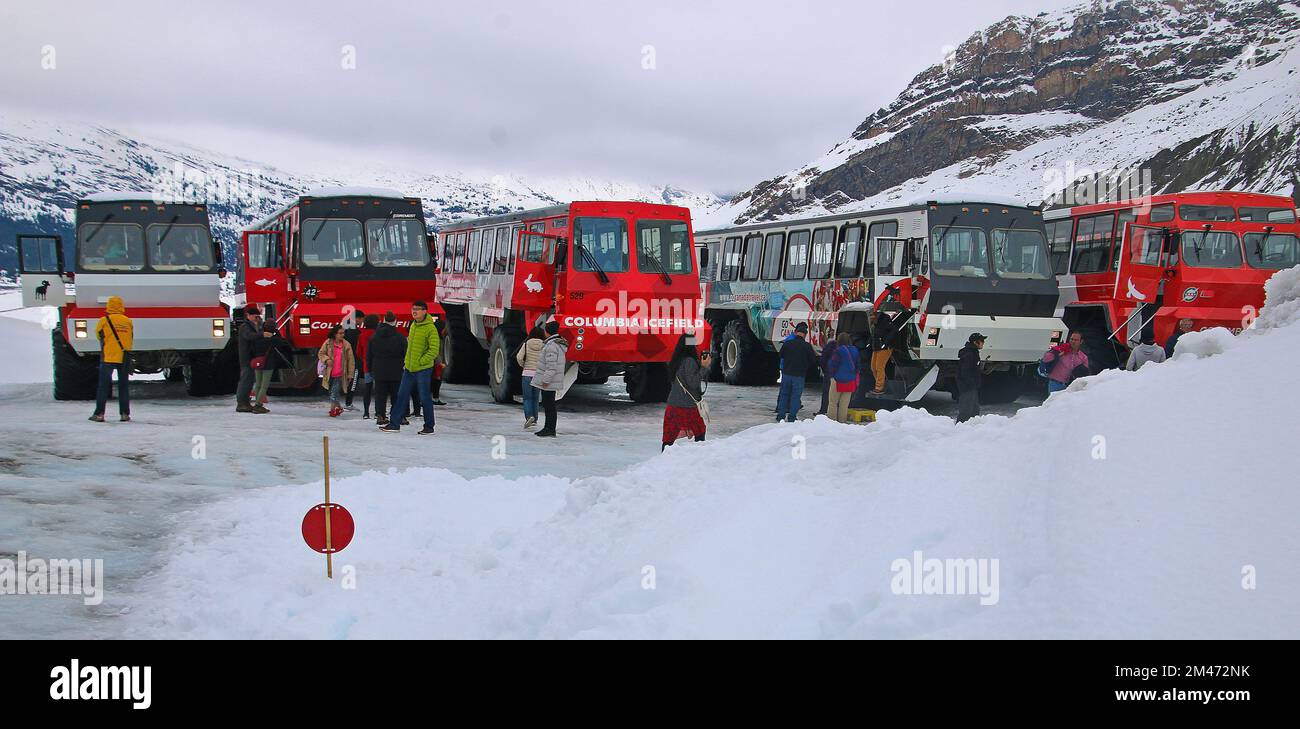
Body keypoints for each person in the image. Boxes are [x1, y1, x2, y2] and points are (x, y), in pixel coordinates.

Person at [381, 300, 439, 435]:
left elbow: (434, 350)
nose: (414, 311)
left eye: (418, 309)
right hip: (409, 369)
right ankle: (394, 424)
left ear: (425, 311)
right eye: (413, 309)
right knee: (401, 396)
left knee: (424, 398)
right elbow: (410, 348)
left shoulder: (430, 328)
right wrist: (407, 362)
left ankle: (429, 426)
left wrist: (421, 361)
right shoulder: (413, 325)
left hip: (423, 369)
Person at [89, 295, 133, 422]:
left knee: (103, 386)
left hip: (108, 356)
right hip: (124, 356)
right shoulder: (127, 321)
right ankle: (124, 414)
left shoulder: (104, 320)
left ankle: (99, 414)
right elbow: (130, 336)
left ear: (109, 306)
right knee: (123, 386)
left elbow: (98, 334)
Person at [663, 334, 710, 450]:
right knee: (700, 432)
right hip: (687, 406)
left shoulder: (675, 361)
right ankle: (697, 456)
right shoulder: (689, 361)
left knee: (669, 436)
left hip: (673, 404)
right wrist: (704, 367)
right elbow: (693, 383)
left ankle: (663, 459)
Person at [367, 311, 407, 427]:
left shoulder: (374, 337)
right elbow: (406, 353)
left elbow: (369, 355)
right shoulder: (400, 337)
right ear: (395, 322)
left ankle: (380, 415)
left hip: (379, 369)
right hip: (396, 370)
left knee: (380, 394)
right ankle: (400, 416)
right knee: (396, 394)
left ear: (383, 320)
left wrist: (370, 369)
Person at [531, 320, 568, 437]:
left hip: (549, 382)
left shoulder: (551, 346)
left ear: (547, 332)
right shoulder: (557, 345)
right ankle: (548, 427)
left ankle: (549, 429)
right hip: (552, 380)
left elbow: (551, 367)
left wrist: (546, 381)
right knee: (549, 405)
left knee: (549, 405)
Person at [775, 322, 817, 422]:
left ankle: (780, 416)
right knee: (795, 396)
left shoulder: (788, 343)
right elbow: (813, 361)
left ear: (795, 332)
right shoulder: (807, 346)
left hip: (786, 373)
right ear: (805, 335)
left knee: (784, 394)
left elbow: (781, 355)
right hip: (799, 375)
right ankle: (792, 417)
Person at [318, 325, 355, 417]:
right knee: (331, 392)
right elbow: (321, 353)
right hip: (329, 373)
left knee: (334, 393)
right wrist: (327, 360)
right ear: (335, 334)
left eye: (343, 333)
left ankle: (332, 410)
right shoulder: (327, 343)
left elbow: (351, 361)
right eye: (340, 333)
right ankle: (339, 407)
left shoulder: (346, 345)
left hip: (341, 373)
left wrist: (350, 374)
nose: (342, 335)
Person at [235, 305, 265, 413]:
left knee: (250, 380)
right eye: (254, 316)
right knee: (246, 380)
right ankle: (241, 403)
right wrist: (262, 334)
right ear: (248, 316)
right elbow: (249, 336)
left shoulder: (254, 325)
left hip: (252, 357)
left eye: (258, 316)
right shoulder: (245, 327)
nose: (256, 318)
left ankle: (245, 402)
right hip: (247, 357)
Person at [825, 332, 860, 422]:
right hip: (850, 380)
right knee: (844, 404)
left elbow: (833, 364)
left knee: (833, 403)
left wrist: (831, 376)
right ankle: (842, 422)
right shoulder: (855, 350)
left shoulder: (838, 350)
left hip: (837, 380)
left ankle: (832, 422)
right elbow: (858, 365)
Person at [515, 325, 546, 428]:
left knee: (527, 398)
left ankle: (529, 417)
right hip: (538, 375)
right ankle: (535, 419)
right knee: (535, 398)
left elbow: (519, 357)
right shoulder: (545, 345)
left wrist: (524, 366)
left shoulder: (526, 344)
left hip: (527, 374)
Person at [248, 320, 279, 414]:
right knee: (264, 386)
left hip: (258, 363)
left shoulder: (258, 338)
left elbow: (252, 349)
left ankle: (256, 404)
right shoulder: (273, 339)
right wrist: (277, 332)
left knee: (258, 384)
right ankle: (258, 405)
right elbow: (281, 342)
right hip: (268, 364)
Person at [956, 333, 985, 423]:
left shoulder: (973, 352)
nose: (983, 343)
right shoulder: (969, 354)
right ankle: (961, 427)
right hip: (967, 386)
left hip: (971, 386)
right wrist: (971, 383)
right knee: (966, 409)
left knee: (974, 409)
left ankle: (972, 427)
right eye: (982, 341)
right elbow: (966, 371)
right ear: (975, 342)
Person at [869, 310, 898, 394]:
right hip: (877, 346)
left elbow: (894, 330)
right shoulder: (875, 323)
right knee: (873, 367)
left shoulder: (884, 321)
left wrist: (885, 342)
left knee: (879, 366)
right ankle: (880, 384)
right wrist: (869, 342)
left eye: (871, 316)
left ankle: (879, 387)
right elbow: (874, 335)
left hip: (885, 347)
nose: (870, 318)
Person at [354, 313, 377, 418]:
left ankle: (366, 413)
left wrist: (364, 359)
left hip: (367, 366)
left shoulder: (362, 335)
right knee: (379, 390)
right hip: (378, 366)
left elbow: (358, 352)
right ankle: (378, 412)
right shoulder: (378, 334)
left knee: (367, 389)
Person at [343, 309, 365, 411]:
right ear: (357, 319)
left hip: (346, 358)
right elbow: (355, 346)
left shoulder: (346, 327)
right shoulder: (353, 331)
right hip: (353, 360)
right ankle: (348, 403)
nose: (362, 322)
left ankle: (346, 403)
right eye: (361, 320)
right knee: (353, 381)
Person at [430, 317, 448, 406]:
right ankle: (435, 398)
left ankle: (433, 398)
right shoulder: (437, 339)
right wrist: (440, 363)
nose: (445, 331)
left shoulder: (435, 337)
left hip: (433, 363)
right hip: (435, 364)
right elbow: (436, 352)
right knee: (436, 380)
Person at [817, 338, 837, 415]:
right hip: (838, 373)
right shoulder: (842, 347)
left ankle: (823, 410)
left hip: (828, 372)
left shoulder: (828, 347)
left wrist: (824, 370)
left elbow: (822, 360)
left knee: (826, 392)